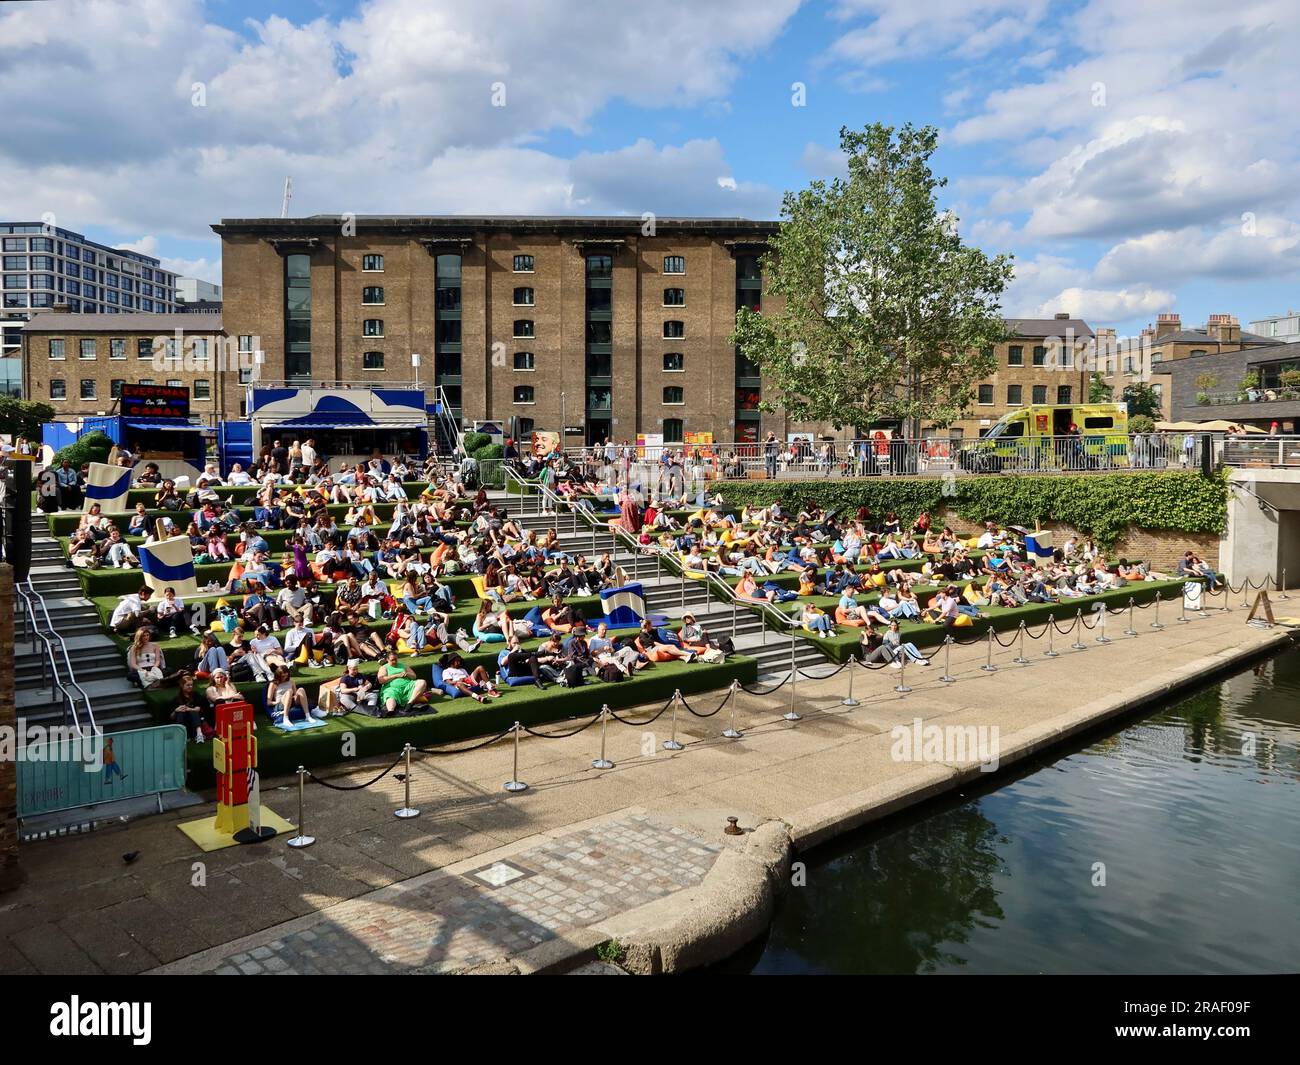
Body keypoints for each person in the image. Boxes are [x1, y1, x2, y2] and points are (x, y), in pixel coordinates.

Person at [378, 650, 430, 715]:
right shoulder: (384, 668)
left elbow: (414, 676)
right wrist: (396, 675)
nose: (394, 661)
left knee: (422, 682)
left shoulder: (403, 665)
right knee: (390, 696)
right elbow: (381, 680)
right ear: (387, 659)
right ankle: (391, 711)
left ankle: (410, 703)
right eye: (392, 660)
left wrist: (407, 674)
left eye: (396, 659)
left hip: (407, 686)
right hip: (392, 688)